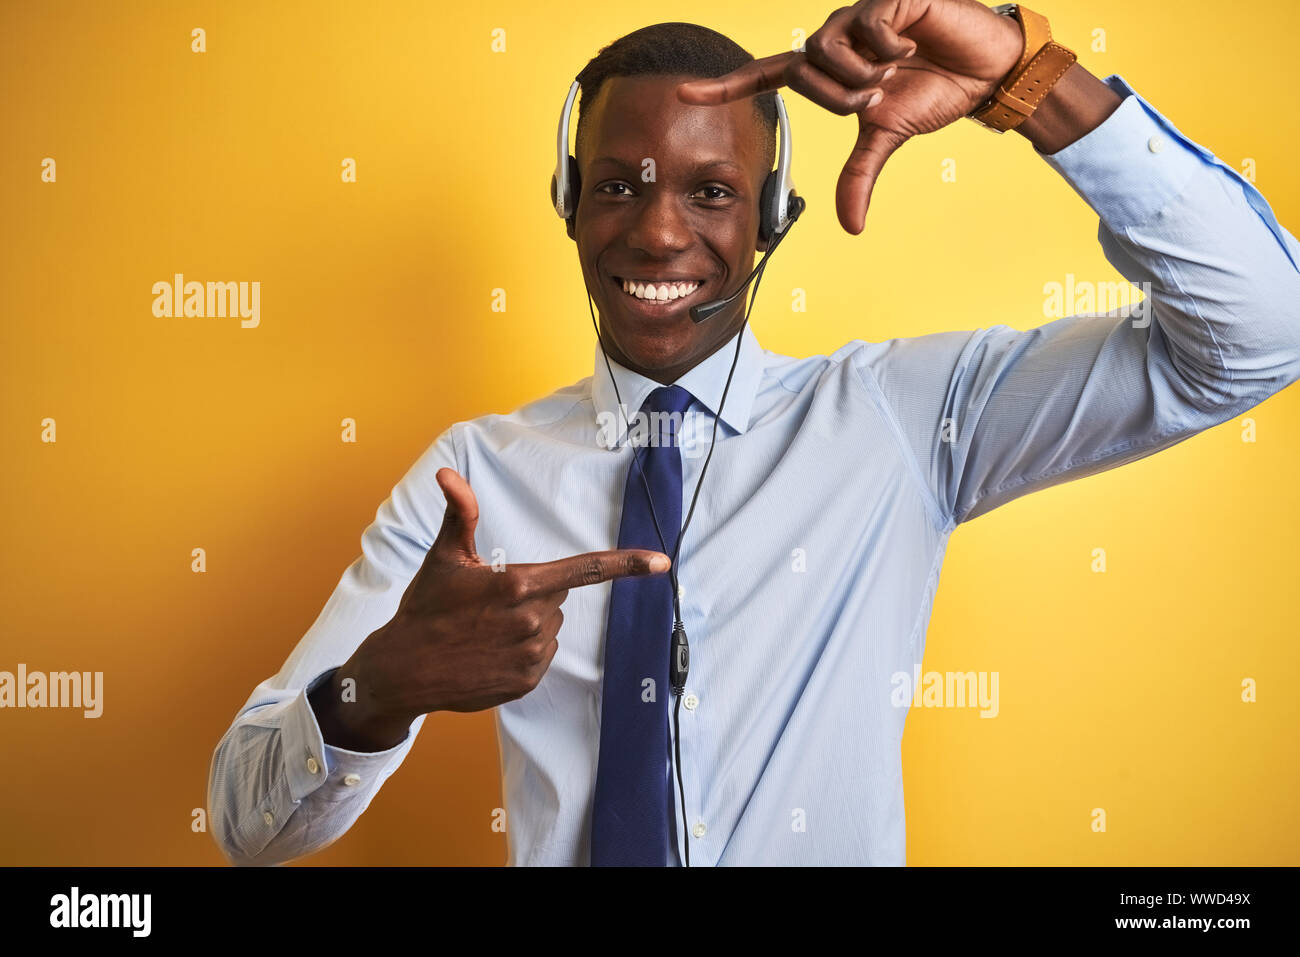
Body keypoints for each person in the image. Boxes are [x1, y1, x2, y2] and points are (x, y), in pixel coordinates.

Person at [207, 0, 1300, 866]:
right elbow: (246, 826)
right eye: (619, 185)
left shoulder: (901, 421)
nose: (658, 231)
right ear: (569, 199)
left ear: (775, 216)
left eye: (712, 192)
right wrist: (378, 689)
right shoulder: (472, 478)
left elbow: (1262, 329)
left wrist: (1029, 79)